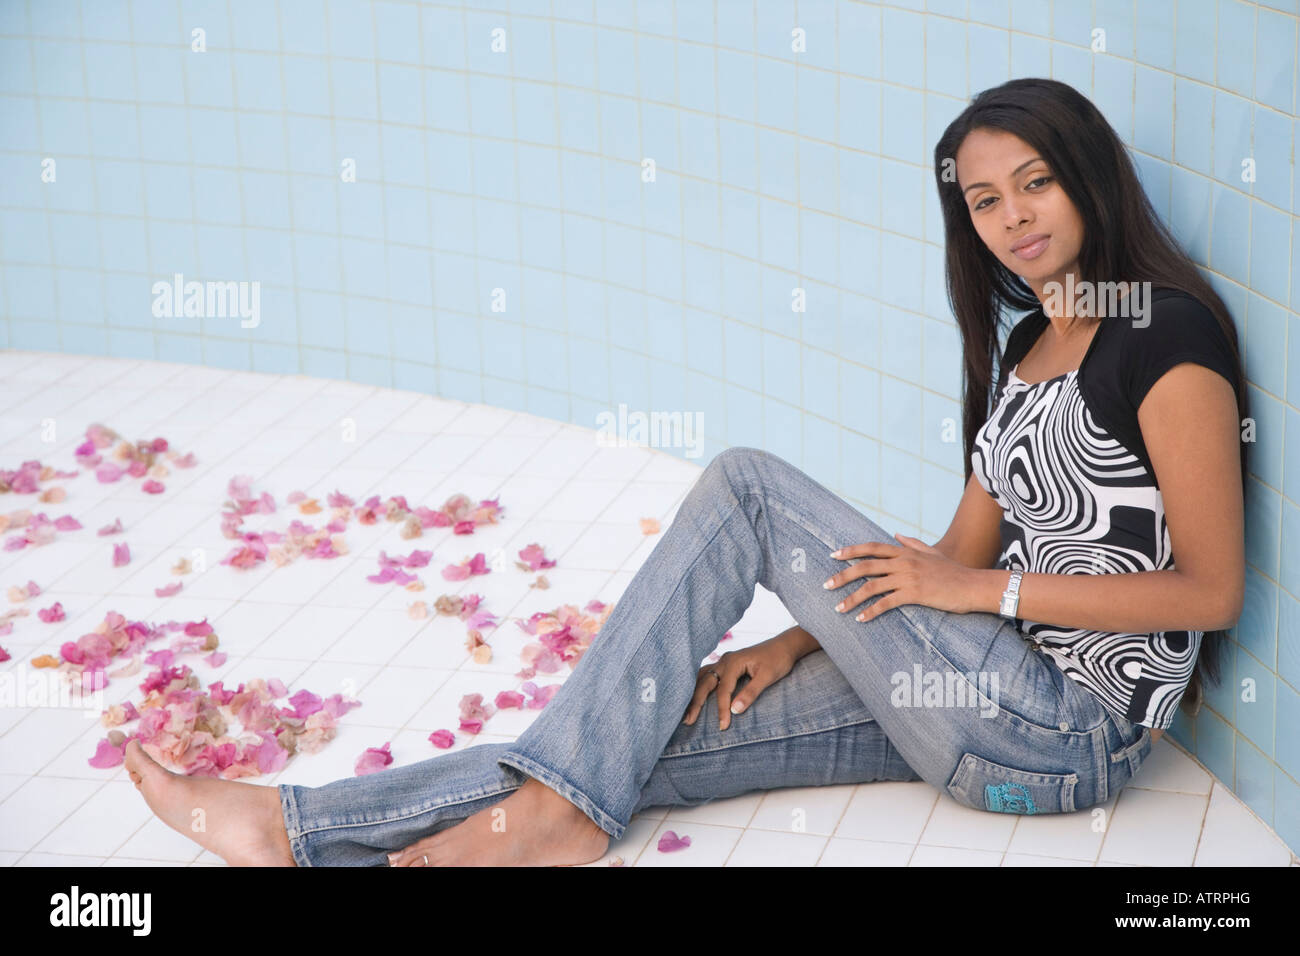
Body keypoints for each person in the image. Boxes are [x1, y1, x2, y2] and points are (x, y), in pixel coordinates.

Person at [124, 77, 1248, 866]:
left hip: (1065, 732)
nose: (1011, 219)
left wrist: (979, 596)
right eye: (984, 199)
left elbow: (1207, 589)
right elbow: (953, 553)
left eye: (1035, 185)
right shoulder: (1024, 344)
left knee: (747, 484)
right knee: (644, 729)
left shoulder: (1163, 332)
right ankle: (303, 828)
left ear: (1089, 179)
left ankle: (542, 821)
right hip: (971, 692)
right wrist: (809, 630)